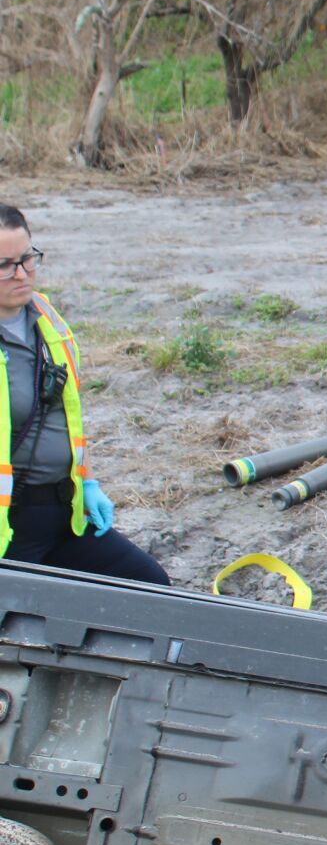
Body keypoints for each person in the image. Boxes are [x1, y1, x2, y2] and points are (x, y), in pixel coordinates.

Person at [0, 204, 168, 584]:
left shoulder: (47, 317)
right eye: (5, 265)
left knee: (150, 585)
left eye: (27, 259)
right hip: (8, 531)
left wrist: (87, 481)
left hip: (63, 514)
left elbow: (68, 416)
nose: (22, 274)